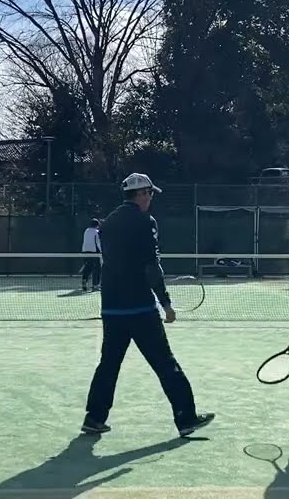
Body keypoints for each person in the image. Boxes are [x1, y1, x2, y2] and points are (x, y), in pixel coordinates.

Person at [82, 173, 214, 438]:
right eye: (149, 193)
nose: (151, 198)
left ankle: (94, 418)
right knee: (165, 363)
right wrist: (165, 302)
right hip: (139, 308)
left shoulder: (107, 224)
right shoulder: (145, 222)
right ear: (140, 194)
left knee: (108, 364)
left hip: (111, 307)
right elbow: (151, 266)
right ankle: (186, 418)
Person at [81, 218, 102, 292]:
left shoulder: (86, 231)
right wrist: (101, 252)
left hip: (85, 252)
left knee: (88, 267)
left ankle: (84, 281)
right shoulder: (96, 232)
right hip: (94, 252)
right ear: (97, 225)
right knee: (97, 268)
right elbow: (98, 243)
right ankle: (95, 285)